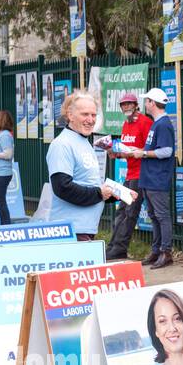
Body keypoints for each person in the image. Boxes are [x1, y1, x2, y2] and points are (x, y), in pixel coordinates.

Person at [47, 90, 112, 241]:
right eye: (85, 114)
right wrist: (99, 193)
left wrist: (112, 193)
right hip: (70, 230)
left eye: (93, 115)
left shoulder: (83, 141)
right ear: (70, 116)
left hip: (85, 228)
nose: (90, 120)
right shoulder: (62, 144)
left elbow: (87, 183)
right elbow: (62, 187)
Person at [105, 92, 153, 260]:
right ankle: (113, 246)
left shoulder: (145, 123)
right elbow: (126, 149)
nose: (126, 107)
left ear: (136, 105)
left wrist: (133, 153)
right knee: (121, 211)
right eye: (123, 105)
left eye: (129, 104)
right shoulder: (126, 125)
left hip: (142, 174)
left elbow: (147, 149)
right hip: (130, 173)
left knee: (130, 212)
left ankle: (119, 248)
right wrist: (115, 153)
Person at [136, 87, 176, 269]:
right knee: (154, 215)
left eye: (147, 101)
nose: (145, 104)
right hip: (150, 178)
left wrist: (143, 153)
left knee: (161, 216)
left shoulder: (164, 124)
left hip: (158, 179)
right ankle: (157, 250)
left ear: (153, 103)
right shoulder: (157, 123)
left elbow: (167, 151)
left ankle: (166, 252)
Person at [0, 110, 14, 225]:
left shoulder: (5, 135)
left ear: (1, 120)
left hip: (2, 173)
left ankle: (6, 225)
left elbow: (8, 154)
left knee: (0, 200)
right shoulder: (0, 134)